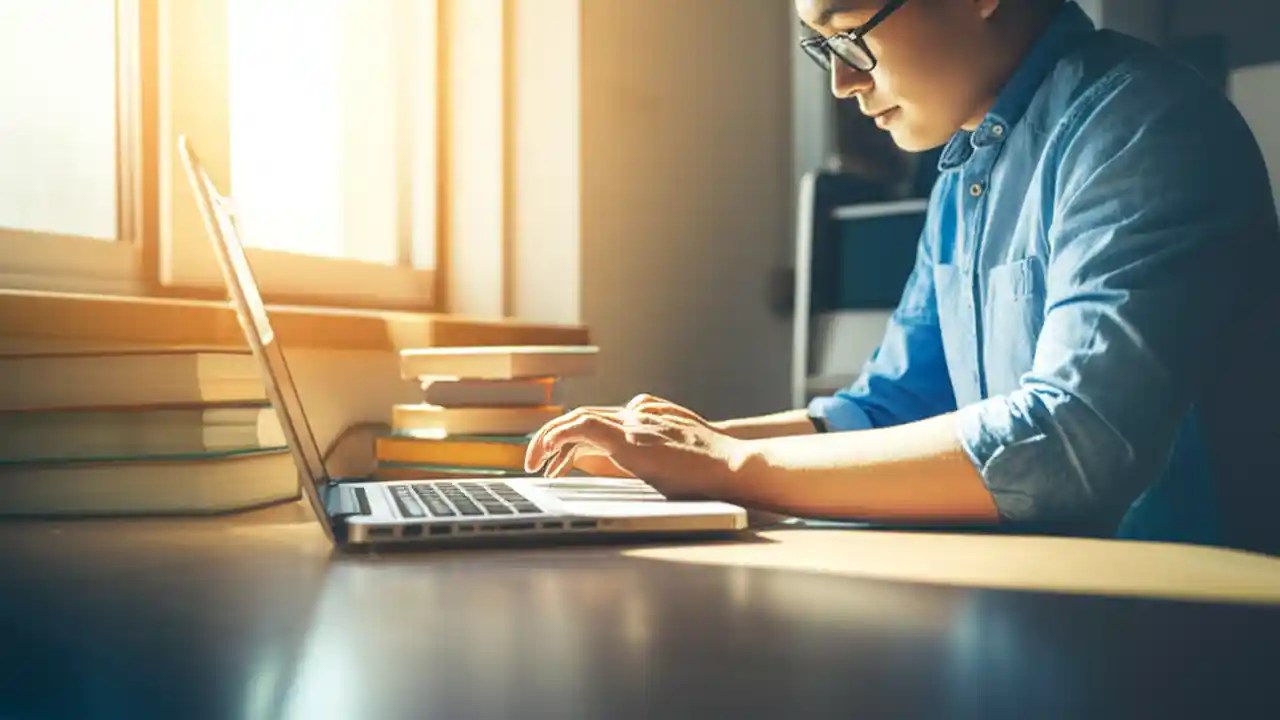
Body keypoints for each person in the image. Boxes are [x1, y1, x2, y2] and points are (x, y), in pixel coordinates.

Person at [524, 0, 1280, 553]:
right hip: (1063, 607)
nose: (842, 85)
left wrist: (732, 465)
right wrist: (678, 448)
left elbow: (1070, 436)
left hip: (1194, 630)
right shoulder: (966, 170)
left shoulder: (1144, 123)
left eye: (851, 34)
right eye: (821, 49)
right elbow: (894, 404)